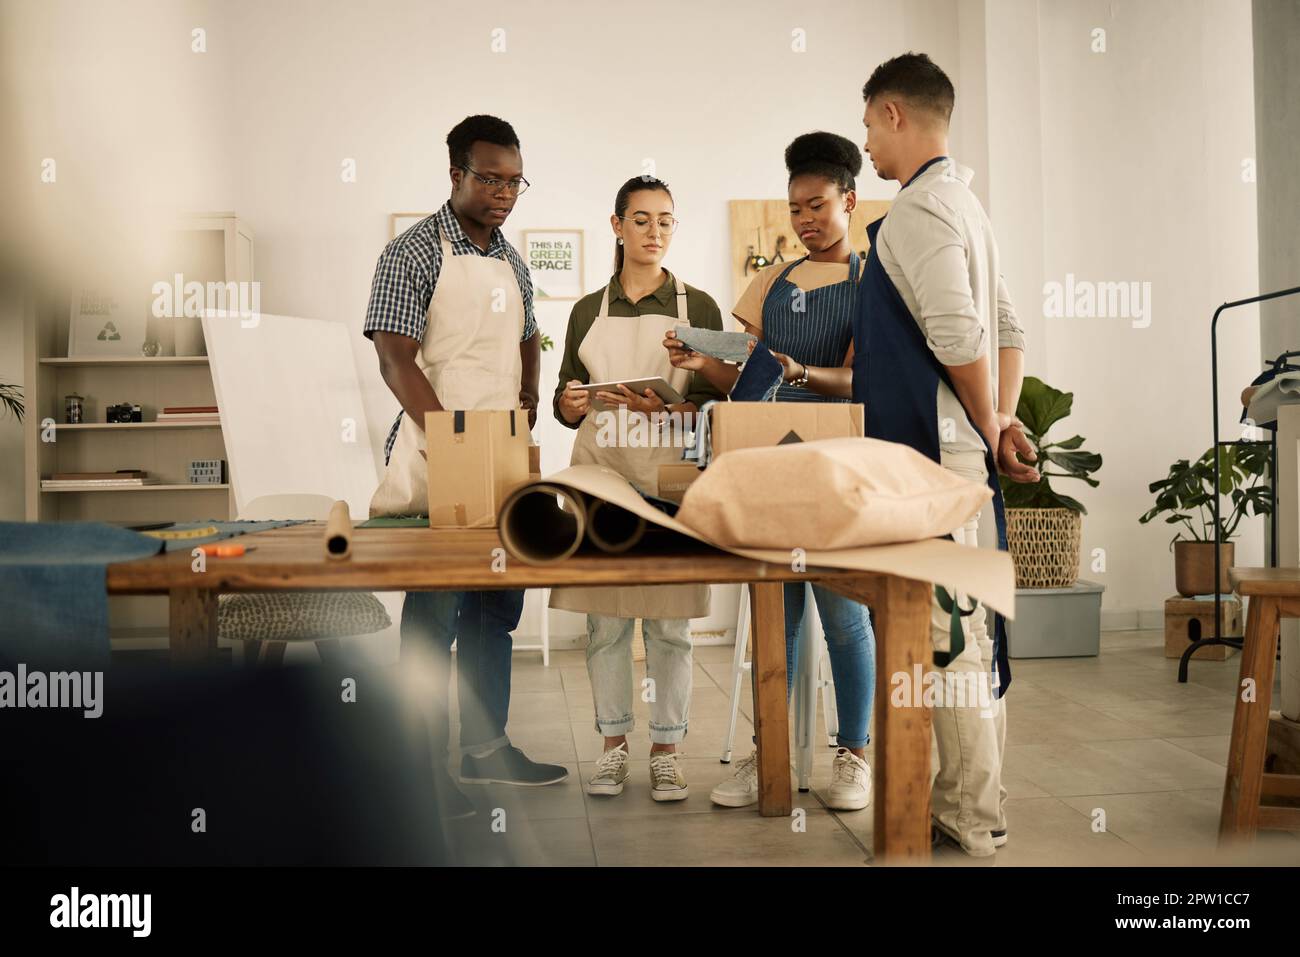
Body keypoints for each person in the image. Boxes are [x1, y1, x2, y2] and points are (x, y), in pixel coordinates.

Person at [853, 53, 1039, 856]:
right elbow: (1008, 332)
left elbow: (963, 335)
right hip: (963, 449)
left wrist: (990, 426)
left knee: (952, 642)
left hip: (936, 459)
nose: (865, 142)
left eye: (868, 123)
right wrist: (1000, 421)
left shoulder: (922, 209)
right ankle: (964, 805)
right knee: (964, 636)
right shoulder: (967, 203)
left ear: (896, 113)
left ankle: (970, 819)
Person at [663, 132, 876, 811]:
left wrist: (801, 371)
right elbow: (748, 377)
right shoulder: (773, 282)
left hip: (835, 466)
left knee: (843, 616)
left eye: (818, 206)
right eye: (795, 209)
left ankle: (854, 754)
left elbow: (863, 380)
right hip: (768, 466)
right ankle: (772, 754)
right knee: (773, 616)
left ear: (850, 201)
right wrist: (705, 363)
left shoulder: (871, 285)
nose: (806, 220)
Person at [365, 114, 568, 821]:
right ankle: (420, 769)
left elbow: (527, 334)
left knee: (495, 605)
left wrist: (530, 395)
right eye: (491, 178)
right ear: (455, 173)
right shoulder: (413, 251)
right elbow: (395, 358)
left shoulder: (512, 260)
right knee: (435, 611)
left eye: (515, 180)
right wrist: (452, 440)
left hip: (501, 453)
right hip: (437, 453)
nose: (506, 193)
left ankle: (486, 748)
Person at [552, 175, 725, 802]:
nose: (655, 233)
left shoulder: (699, 307)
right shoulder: (584, 312)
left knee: (671, 622)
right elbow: (564, 400)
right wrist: (571, 403)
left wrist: (675, 409)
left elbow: (717, 400)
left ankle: (668, 751)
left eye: (666, 221)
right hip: (602, 472)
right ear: (617, 225)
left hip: (671, 477)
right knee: (606, 620)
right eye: (643, 220)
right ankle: (612, 747)